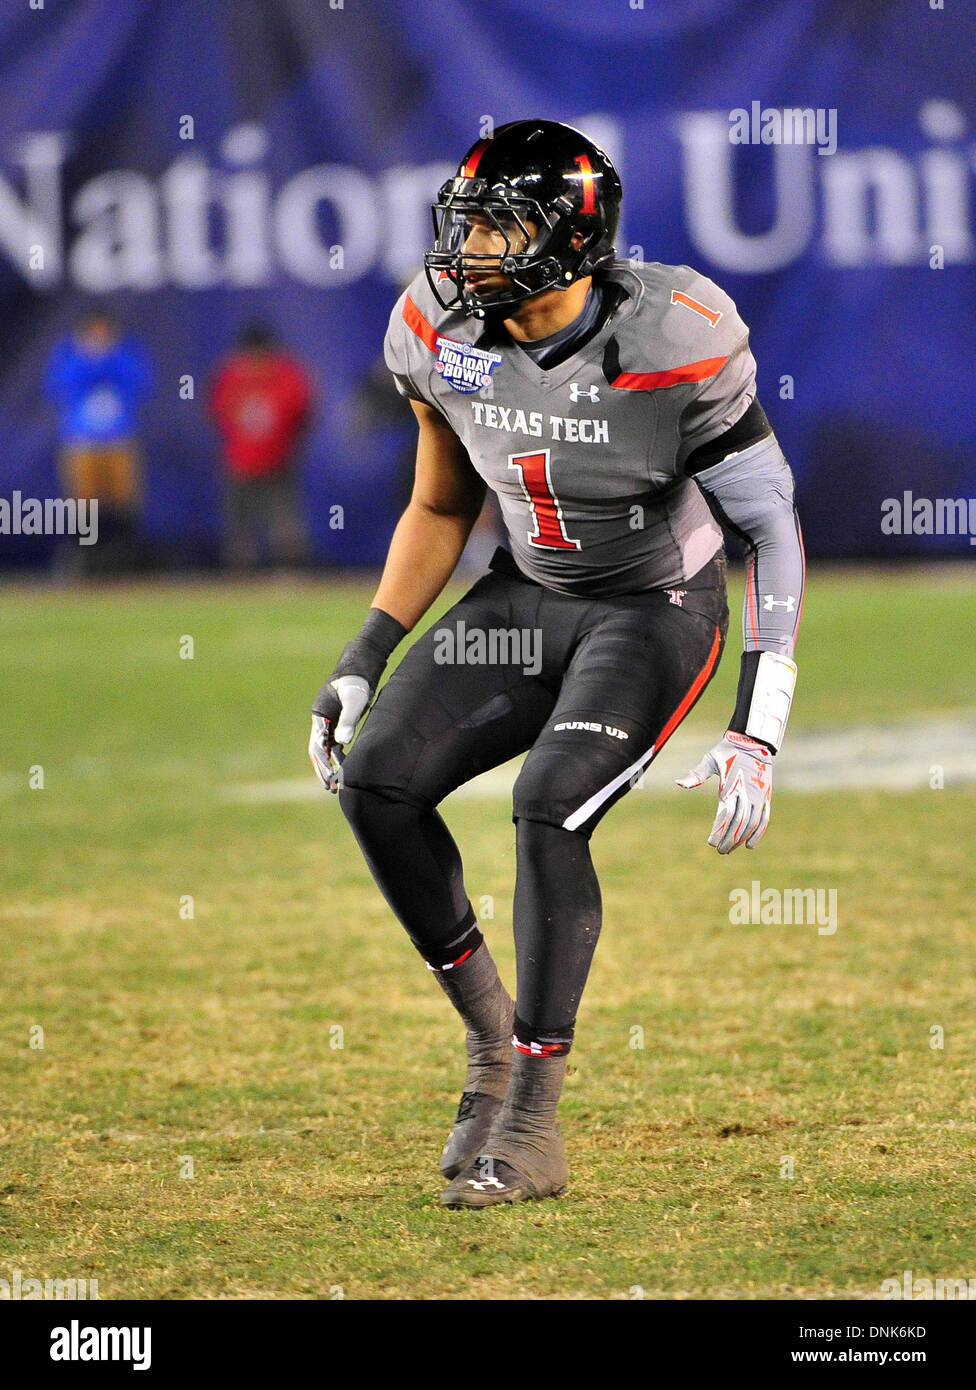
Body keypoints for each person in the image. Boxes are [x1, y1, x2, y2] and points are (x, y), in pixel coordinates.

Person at [309, 120, 805, 1208]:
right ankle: (493, 1051)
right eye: (466, 219)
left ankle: (532, 1122)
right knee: (380, 778)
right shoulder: (439, 328)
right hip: (526, 592)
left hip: (654, 602)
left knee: (548, 803)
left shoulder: (678, 331)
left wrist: (756, 724)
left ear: (570, 240)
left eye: (499, 224)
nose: (471, 246)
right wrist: (365, 653)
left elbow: (769, 529)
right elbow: (440, 504)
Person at [45, 307, 153, 572]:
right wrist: (88, 361)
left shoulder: (126, 355)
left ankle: (126, 557)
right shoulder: (69, 354)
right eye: (94, 332)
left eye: (104, 332)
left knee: (124, 500)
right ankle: (83, 558)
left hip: (119, 439)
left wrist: (107, 361)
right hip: (81, 441)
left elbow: (142, 384)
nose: (99, 337)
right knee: (83, 501)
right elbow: (56, 388)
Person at [209, 322, 313, 568]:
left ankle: (290, 574)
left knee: (285, 525)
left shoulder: (286, 375)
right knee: (240, 530)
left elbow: (300, 412)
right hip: (240, 464)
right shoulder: (232, 376)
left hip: (277, 463)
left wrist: (284, 445)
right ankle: (242, 580)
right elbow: (218, 413)